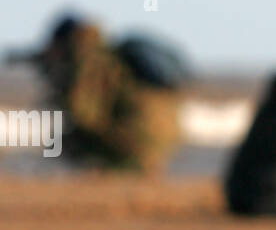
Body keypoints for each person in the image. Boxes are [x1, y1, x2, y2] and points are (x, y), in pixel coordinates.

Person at [29, 14, 183, 172]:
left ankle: (116, 169)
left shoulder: (88, 63)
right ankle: (140, 163)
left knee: (62, 140)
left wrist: (60, 94)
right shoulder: (110, 55)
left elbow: (85, 115)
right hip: (167, 139)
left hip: (137, 141)